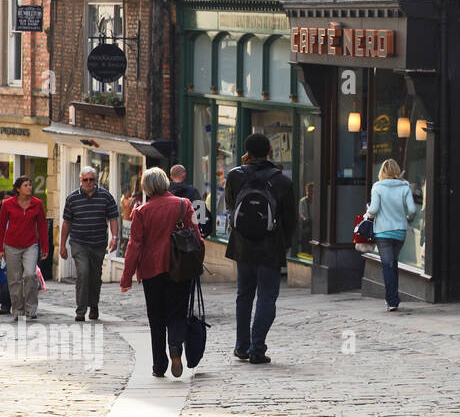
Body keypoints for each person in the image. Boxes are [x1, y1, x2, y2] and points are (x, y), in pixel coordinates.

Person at [119, 168, 204, 378]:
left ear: (146, 187)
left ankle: (159, 365)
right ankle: (175, 348)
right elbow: (197, 237)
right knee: (177, 313)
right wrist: (196, 264)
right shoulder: (184, 205)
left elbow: (134, 246)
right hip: (180, 269)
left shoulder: (141, 212)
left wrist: (126, 277)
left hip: (151, 270)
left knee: (156, 317)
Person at [224, 133, 296, 365]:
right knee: (267, 297)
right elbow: (290, 219)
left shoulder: (235, 176)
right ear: (270, 152)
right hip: (270, 247)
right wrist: (286, 244)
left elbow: (230, 208)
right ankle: (257, 347)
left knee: (244, 295)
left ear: (247, 153)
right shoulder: (283, 181)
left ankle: (241, 346)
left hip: (242, 245)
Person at [60, 166, 121, 322]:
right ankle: (81, 310)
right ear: (81, 180)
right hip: (79, 242)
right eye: (85, 180)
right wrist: (62, 245)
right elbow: (66, 222)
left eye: (91, 179)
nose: (88, 182)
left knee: (95, 276)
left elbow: (113, 218)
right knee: (83, 273)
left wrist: (114, 237)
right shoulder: (72, 198)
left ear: (96, 180)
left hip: (98, 243)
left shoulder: (105, 196)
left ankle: (93, 304)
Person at [367, 160, 417, 312]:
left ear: (382, 171)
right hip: (399, 232)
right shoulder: (404, 187)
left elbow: (374, 209)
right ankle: (393, 297)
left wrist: (369, 211)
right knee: (393, 264)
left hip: (383, 232)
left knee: (388, 266)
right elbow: (413, 209)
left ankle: (392, 300)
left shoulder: (378, 187)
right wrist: (407, 219)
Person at [0, 176, 49, 320]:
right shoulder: (8, 204)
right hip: (11, 246)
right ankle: (17, 309)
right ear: (18, 189)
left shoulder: (37, 204)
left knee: (30, 275)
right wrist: (1, 248)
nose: (29, 187)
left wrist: (45, 247)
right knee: (14, 279)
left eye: (30, 185)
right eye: (26, 185)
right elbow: (2, 226)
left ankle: (31, 308)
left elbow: (42, 226)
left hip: (30, 245)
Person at [298, 182, 314, 256]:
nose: (311, 193)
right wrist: (305, 219)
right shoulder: (303, 201)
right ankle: (305, 251)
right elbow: (302, 213)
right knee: (306, 232)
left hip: (315, 224)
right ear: (306, 191)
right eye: (309, 191)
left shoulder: (316, 200)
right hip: (306, 224)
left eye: (312, 191)